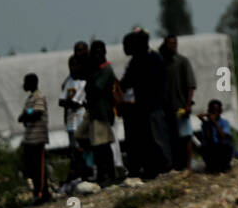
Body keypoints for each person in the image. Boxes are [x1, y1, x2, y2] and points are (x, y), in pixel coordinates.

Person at [120, 29, 172, 179]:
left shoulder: (149, 60)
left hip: (153, 107)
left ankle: (165, 167)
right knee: (150, 140)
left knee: (158, 138)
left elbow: (128, 82)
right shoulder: (141, 60)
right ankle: (154, 167)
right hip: (145, 108)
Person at [79, 41, 119, 187]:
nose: (97, 55)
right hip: (96, 112)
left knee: (102, 146)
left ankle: (107, 174)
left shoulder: (105, 69)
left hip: (102, 112)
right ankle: (105, 174)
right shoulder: (98, 69)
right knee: (98, 145)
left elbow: (95, 89)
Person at [160, 34, 197, 171]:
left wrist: (188, 104)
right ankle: (176, 165)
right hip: (167, 108)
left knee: (186, 136)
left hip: (181, 106)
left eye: (174, 43)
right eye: (169, 43)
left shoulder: (182, 61)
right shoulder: (162, 63)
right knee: (172, 138)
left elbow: (190, 85)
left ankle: (187, 166)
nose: (172, 46)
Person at [17, 73, 51, 204]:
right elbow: (22, 116)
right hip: (30, 138)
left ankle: (43, 193)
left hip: (38, 137)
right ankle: (38, 192)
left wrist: (27, 114)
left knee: (39, 167)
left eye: (26, 82)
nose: (24, 85)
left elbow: (36, 112)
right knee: (32, 168)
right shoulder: (30, 98)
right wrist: (26, 115)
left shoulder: (39, 96)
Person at [58, 54, 91, 181]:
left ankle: (87, 172)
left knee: (84, 147)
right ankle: (80, 173)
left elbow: (76, 103)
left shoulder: (83, 81)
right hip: (71, 121)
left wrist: (70, 102)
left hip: (81, 119)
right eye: (70, 65)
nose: (72, 68)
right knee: (74, 149)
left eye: (75, 65)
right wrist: (70, 103)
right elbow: (62, 102)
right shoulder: (69, 82)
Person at [198, 99, 234, 173]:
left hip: (221, 148)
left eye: (216, 111)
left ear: (220, 111)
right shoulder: (206, 123)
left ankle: (224, 165)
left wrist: (214, 122)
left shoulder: (224, 122)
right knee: (204, 146)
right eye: (212, 111)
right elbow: (207, 137)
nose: (214, 113)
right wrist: (205, 122)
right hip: (212, 148)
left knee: (226, 144)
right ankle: (211, 166)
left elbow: (223, 135)